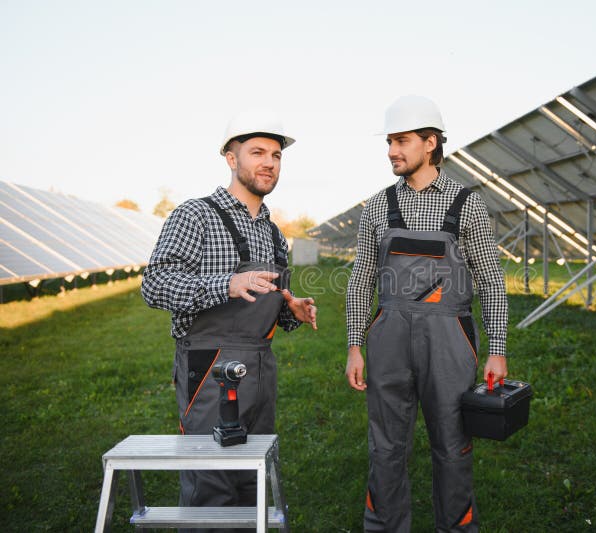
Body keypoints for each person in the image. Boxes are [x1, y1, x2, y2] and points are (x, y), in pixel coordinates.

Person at [142, 108, 317, 529]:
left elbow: (267, 301)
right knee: (211, 482)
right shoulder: (195, 215)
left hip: (260, 365)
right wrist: (226, 284)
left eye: (276, 155)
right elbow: (155, 285)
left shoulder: (274, 233)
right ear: (230, 157)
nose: (269, 163)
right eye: (257, 152)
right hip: (208, 366)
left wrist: (289, 310)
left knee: (251, 476)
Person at [345, 95, 508, 532]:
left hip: (450, 342)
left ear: (430, 142)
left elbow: (491, 281)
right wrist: (354, 345)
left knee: (453, 447)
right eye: (390, 141)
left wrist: (498, 350)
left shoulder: (466, 204)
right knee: (385, 447)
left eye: (401, 140)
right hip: (389, 341)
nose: (391, 150)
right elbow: (361, 279)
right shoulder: (377, 206)